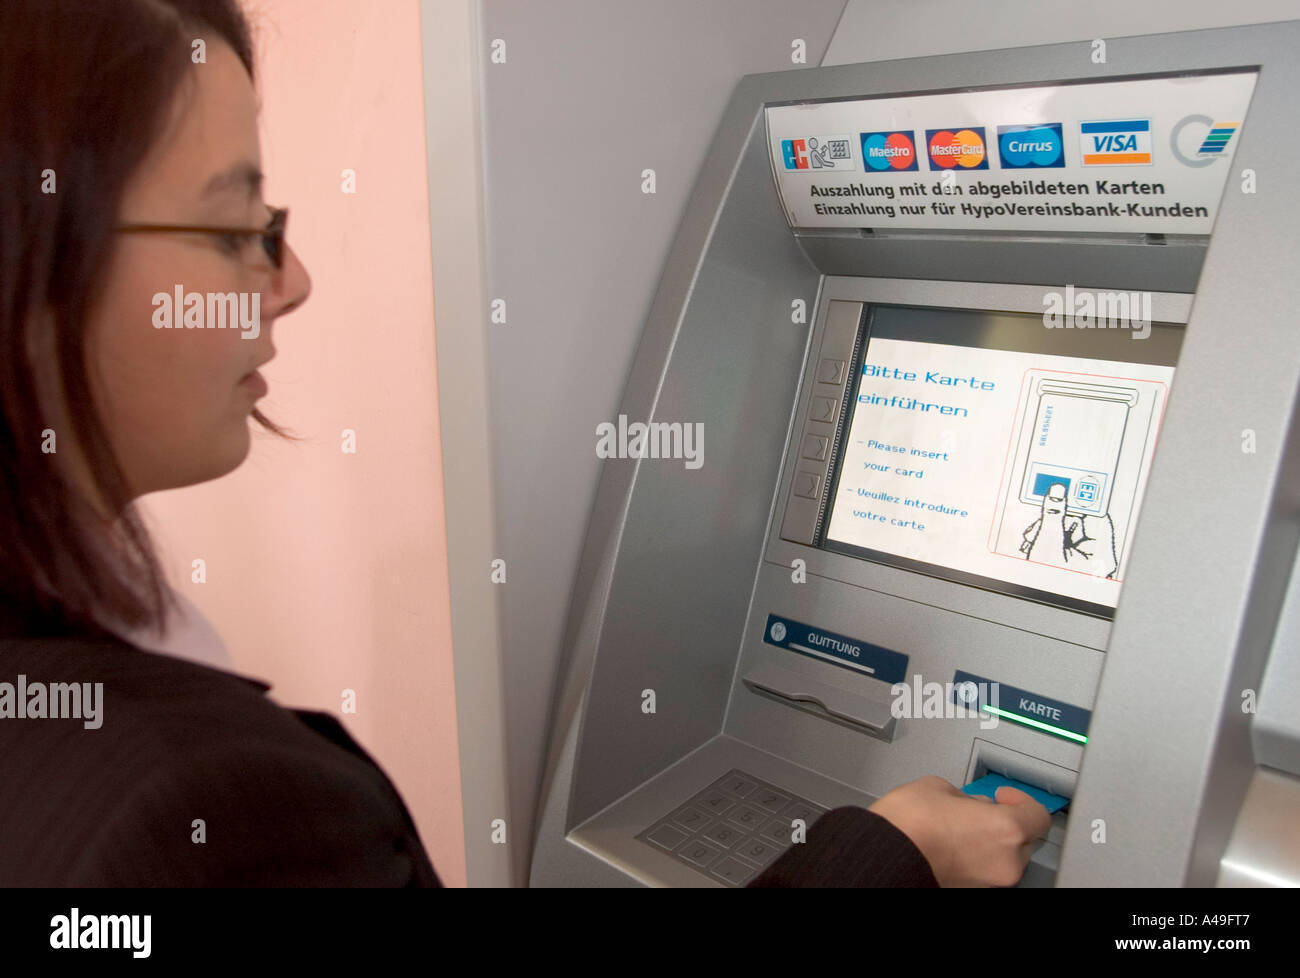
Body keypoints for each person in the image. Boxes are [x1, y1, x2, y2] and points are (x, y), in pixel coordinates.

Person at [0, 0, 1049, 888]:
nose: (293, 281)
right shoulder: (211, 812)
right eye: (236, 231)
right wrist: (891, 856)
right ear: (34, 254)